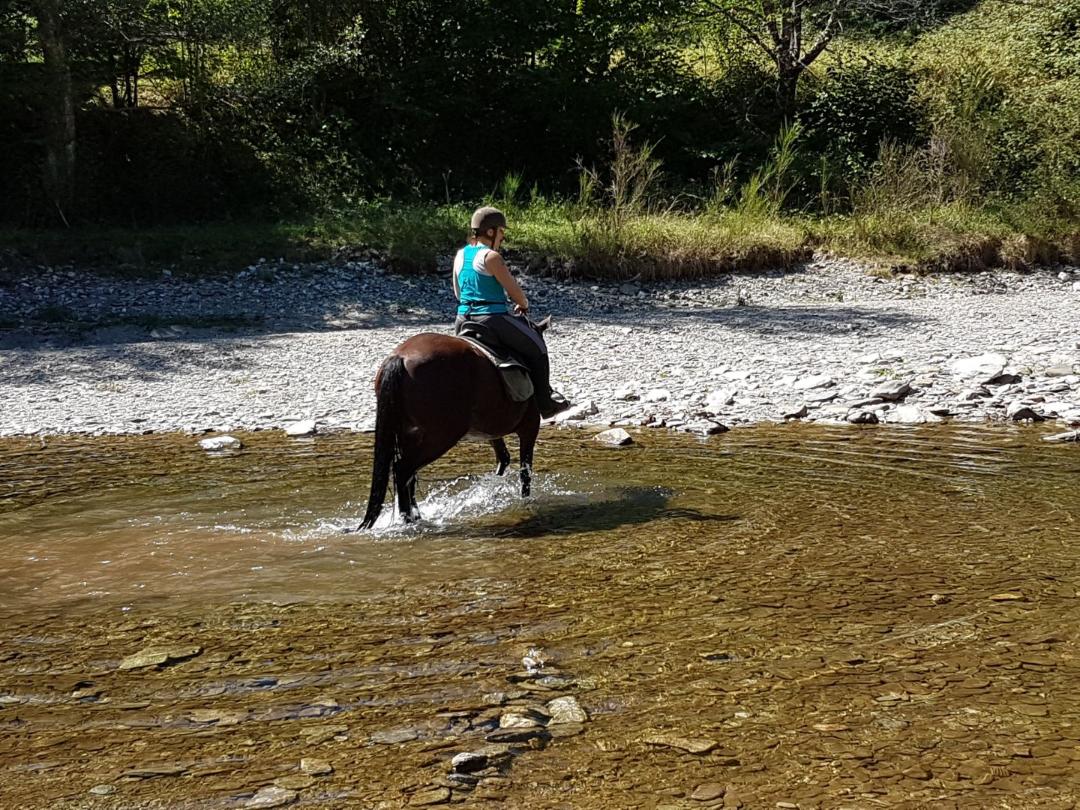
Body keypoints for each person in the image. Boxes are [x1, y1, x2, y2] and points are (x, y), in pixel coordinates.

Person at [453, 206, 571, 418]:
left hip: (462, 320)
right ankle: (545, 402)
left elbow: (457, 292)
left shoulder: (461, 255)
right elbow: (515, 292)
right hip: (492, 319)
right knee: (537, 348)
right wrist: (523, 304)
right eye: (501, 232)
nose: (503, 237)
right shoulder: (491, 257)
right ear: (491, 232)